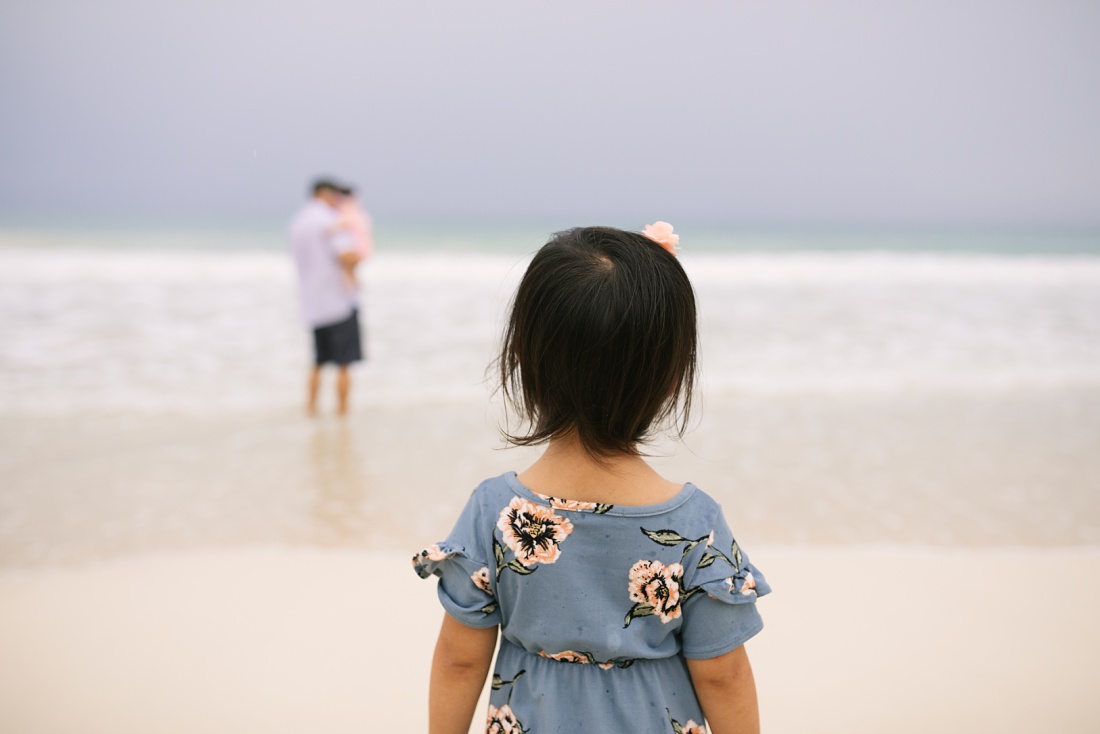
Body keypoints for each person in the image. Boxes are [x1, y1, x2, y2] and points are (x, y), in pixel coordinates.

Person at [413, 224, 770, 734]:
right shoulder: (697, 526)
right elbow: (723, 675)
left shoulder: (494, 511)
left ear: (522, 356)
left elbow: (460, 659)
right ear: (672, 376)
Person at [289, 178, 366, 416]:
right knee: (344, 364)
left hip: (312, 301)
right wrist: (358, 260)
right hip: (337, 301)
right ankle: (343, 414)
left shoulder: (299, 221)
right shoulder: (331, 220)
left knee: (318, 361)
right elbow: (346, 255)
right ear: (326, 194)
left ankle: (311, 410)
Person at [333, 185, 374, 291]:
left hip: (354, 246)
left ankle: (351, 291)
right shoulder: (359, 210)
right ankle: (353, 291)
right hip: (362, 245)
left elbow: (344, 223)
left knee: (349, 273)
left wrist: (330, 230)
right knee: (350, 272)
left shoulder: (346, 208)